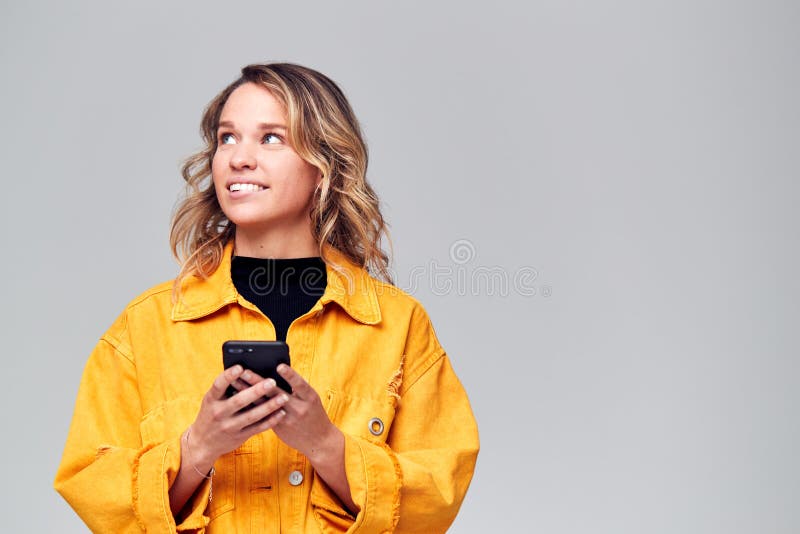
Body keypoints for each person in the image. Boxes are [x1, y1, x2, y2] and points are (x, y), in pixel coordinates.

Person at [54, 63, 479, 533]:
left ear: (324, 167)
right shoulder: (146, 326)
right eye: (227, 137)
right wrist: (198, 448)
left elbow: (439, 495)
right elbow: (92, 487)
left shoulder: (397, 326)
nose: (238, 157)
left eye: (271, 138)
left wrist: (325, 445)